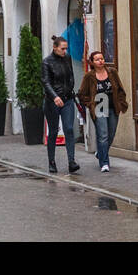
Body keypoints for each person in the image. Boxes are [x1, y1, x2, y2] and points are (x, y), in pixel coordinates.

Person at [78, 50, 129, 172]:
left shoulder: (112, 72)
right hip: (99, 107)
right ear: (92, 62)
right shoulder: (89, 76)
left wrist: (121, 103)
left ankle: (100, 152)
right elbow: (82, 94)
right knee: (103, 135)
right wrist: (90, 104)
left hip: (113, 106)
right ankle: (104, 163)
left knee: (111, 134)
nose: (101, 61)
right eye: (97, 59)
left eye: (102, 58)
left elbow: (120, 89)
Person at [42, 36, 80, 174]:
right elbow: (46, 82)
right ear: (55, 47)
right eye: (62, 48)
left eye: (66, 48)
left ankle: (71, 161)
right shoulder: (47, 62)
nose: (65, 51)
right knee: (53, 131)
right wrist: (54, 96)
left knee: (69, 129)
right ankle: (51, 162)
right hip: (52, 102)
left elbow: (70, 76)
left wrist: (70, 90)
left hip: (67, 99)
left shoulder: (67, 58)